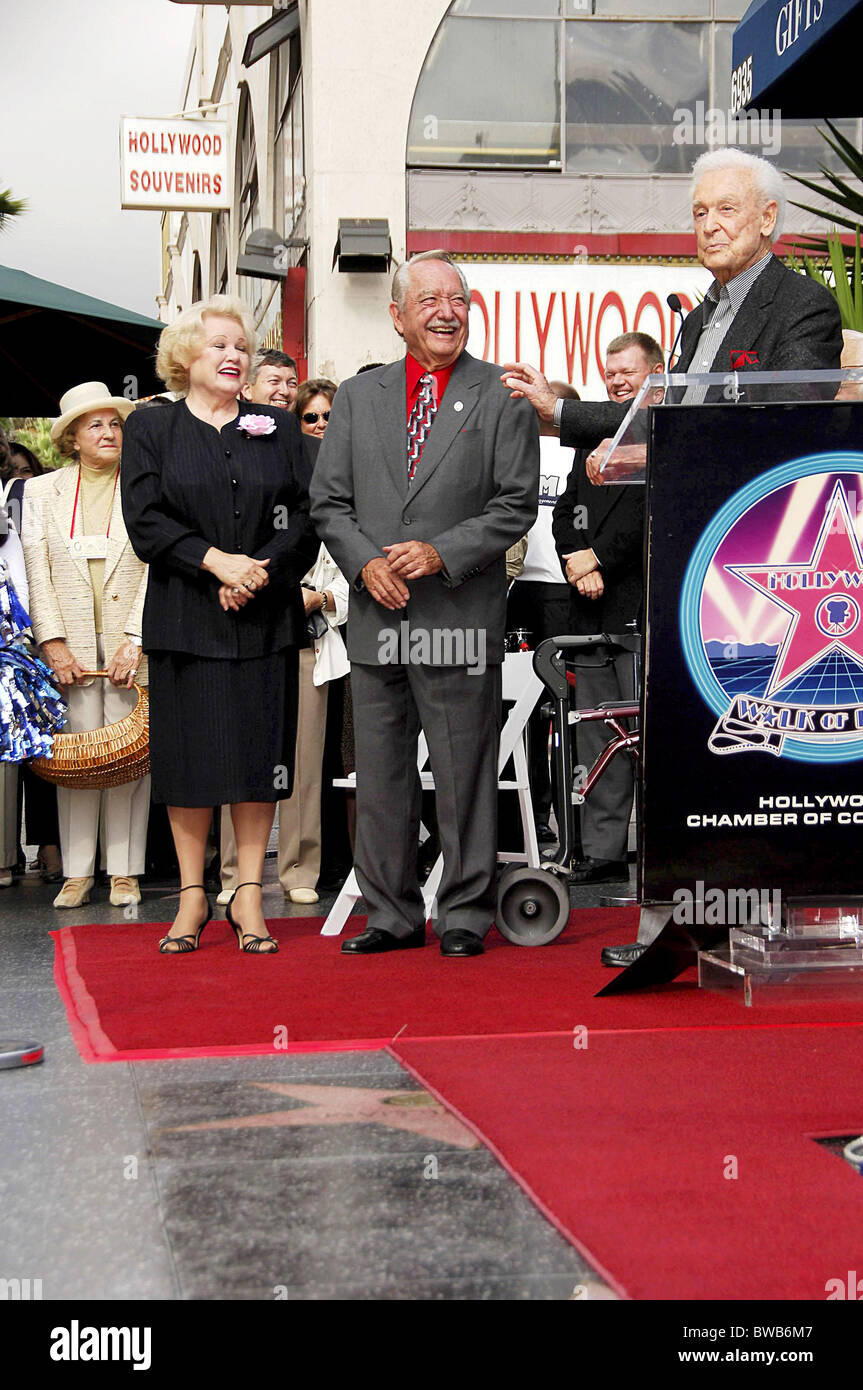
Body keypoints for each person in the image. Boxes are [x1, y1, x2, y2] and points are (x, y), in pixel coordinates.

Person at [503, 147, 843, 967]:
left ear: (767, 219)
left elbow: (782, 416)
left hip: (760, 566)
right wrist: (594, 432)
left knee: (737, 748)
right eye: (697, 212)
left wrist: (569, 411)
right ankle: (687, 922)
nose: (709, 225)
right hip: (690, 557)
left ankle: (753, 911)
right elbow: (670, 422)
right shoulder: (696, 319)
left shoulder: (802, 307)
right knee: (686, 747)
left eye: (726, 209)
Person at [311, 249, 539, 958]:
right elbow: (328, 502)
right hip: (378, 619)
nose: (446, 312)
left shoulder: (501, 394)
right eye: (429, 301)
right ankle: (391, 914)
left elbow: (515, 505)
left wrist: (440, 551)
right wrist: (364, 562)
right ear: (397, 317)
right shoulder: (357, 396)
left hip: (457, 619)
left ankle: (465, 914)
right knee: (379, 776)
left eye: (457, 300)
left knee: (465, 770)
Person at [121, 295, 316, 955]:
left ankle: (250, 896)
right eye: (219, 346)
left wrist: (256, 571)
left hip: (264, 617)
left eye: (242, 346)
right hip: (185, 619)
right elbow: (146, 521)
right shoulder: (151, 428)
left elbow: (306, 516)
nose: (235, 356)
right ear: (185, 357)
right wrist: (215, 564)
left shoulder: (277, 427)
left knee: (259, 759)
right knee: (191, 760)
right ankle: (191, 896)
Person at [219, 382, 350, 906]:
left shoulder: (335, 487)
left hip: (310, 641)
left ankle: (300, 870)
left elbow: (348, 554)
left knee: (304, 760)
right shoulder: (240, 489)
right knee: (239, 756)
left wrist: (317, 598)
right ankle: (234, 875)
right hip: (247, 630)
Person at [21, 383, 150, 909]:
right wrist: (51, 642)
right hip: (69, 645)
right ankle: (77, 872)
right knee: (75, 756)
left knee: (126, 754)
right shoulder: (41, 491)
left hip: (127, 642)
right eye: (94, 425)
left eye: (115, 423)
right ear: (72, 438)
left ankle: (124, 870)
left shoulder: (144, 485)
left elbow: (156, 564)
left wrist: (137, 639)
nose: (108, 432)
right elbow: (36, 569)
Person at [552, 333, 664, 886]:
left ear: (657, 375)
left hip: (641, 613)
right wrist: (576, 557)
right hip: (587, 613)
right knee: (599, 735)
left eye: (628, 371)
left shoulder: (666, 437)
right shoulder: (590, 441)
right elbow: (566, 510)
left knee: (650, 736)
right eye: (610, 372)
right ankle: (601, 851)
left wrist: (597, 556)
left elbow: (647, 512)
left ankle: (664, 849)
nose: (617, 381)